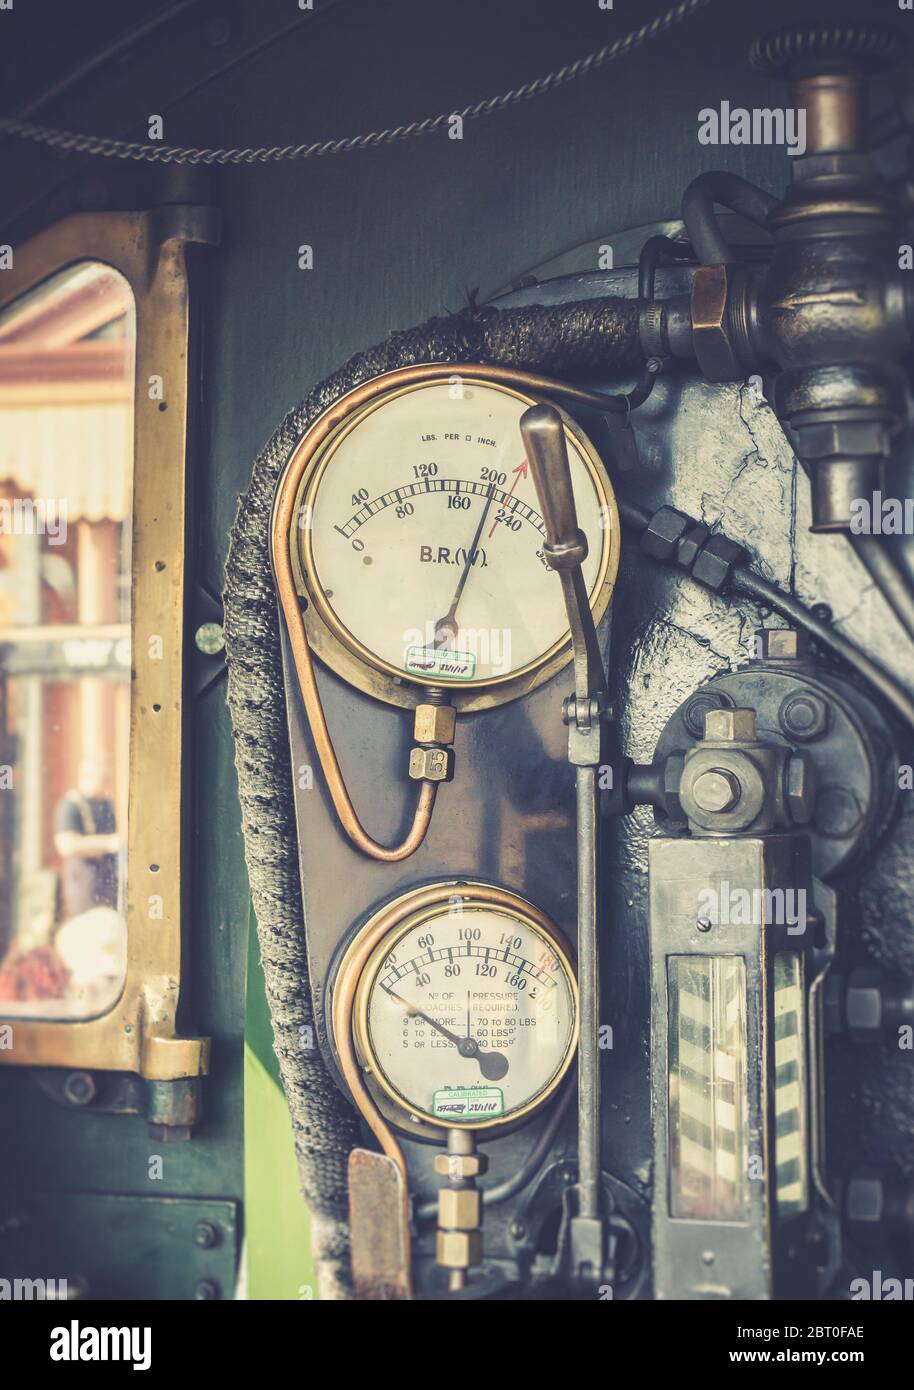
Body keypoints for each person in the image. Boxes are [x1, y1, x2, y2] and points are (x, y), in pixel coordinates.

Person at [53, 755, 121, 917]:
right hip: (84, 881)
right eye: (102, 779)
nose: (106, 784)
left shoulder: (106, 803)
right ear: (87, 776)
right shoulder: (70, 805)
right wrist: (106, 843)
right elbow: (66, 846)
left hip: (107, 879)